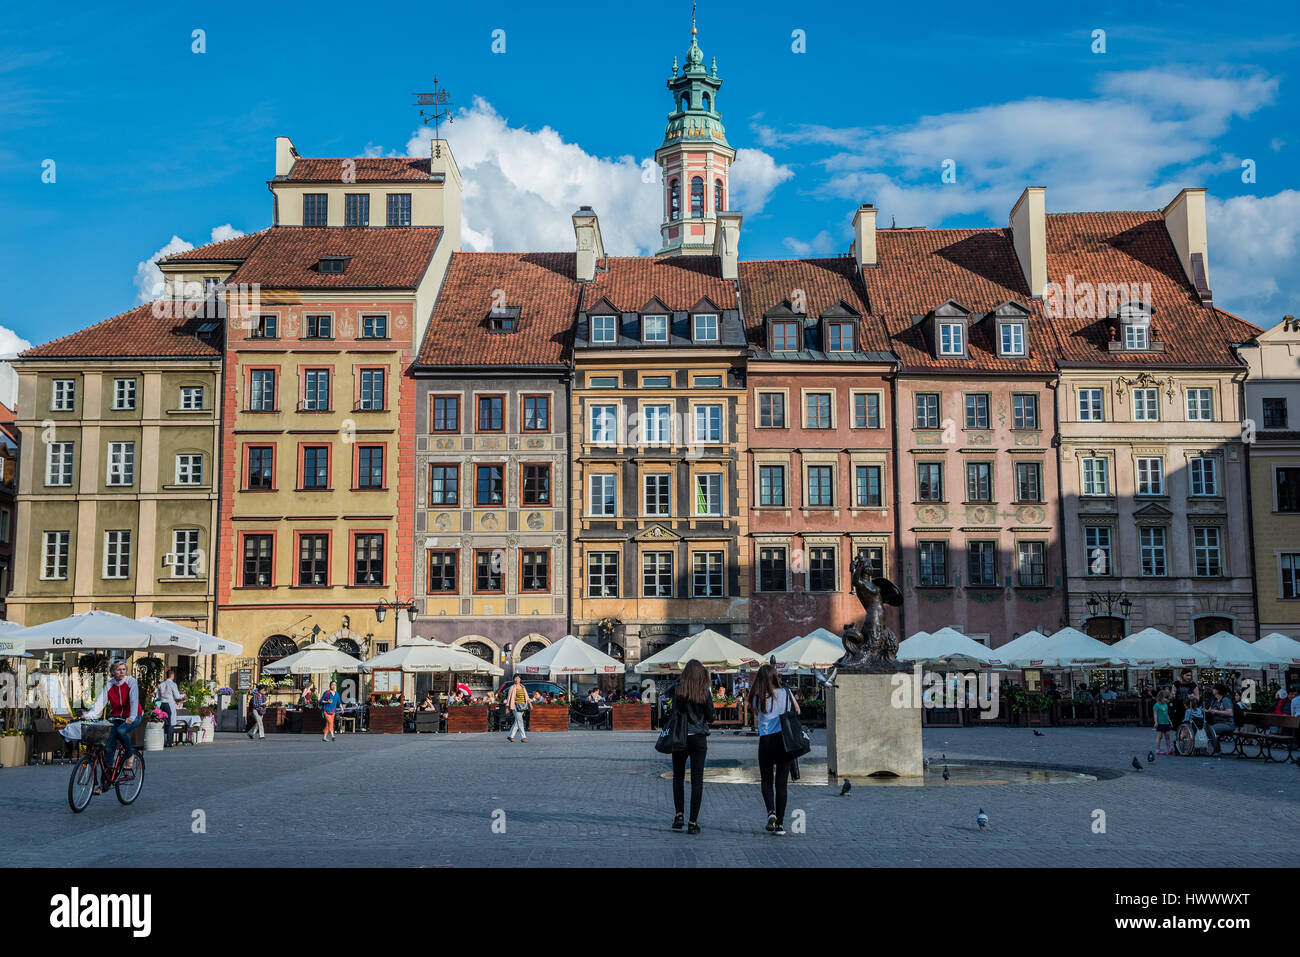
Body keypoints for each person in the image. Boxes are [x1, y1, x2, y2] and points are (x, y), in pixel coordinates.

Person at [750, 664, 800, 836]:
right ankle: (780, 824)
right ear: (775, 676)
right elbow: (797, 711)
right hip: (784, 740)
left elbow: (756, 713)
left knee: (766, 780)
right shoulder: (786, 693)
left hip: (766, 741)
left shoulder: (757, 696)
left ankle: (771, 812)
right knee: (781, 783)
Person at [669, 659, 714, 835]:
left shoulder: (678, 689)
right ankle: (693, 822)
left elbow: (673, 713)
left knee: (678, 777)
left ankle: (679, 815)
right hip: (699, 739)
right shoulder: (705, 692)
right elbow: (711, 718)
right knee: (697, 780)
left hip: (680, 737)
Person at [83, 659, 144, 786]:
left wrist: (132, 716)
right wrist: (89, 715)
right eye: (118, 669)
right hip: (117, 717)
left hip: (135, 715)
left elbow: (134, 700)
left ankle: (130, 755)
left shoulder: (131, 682)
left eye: (123, 669)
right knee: (109, 747)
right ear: (112, 672)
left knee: (122, 730)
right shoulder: (110, 684)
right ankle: (106, 780)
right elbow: (101, 702)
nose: (122, 672)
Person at [156, 668, 185, 747]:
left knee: (162, 721)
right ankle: (169, 741)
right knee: (170, 723)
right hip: (170, 703)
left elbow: (157, 696)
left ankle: (160, 740)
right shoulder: (173, 684)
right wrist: (183, 695)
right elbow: (177, 696)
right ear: (172, 676)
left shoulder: (161, 684)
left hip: (162, 704)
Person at [1205, 684, 1234, 752]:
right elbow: (1210, 710)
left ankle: (1216, 749)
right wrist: (1205, 710)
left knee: (1210, 730)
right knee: (1204, 728)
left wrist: (1216, 711)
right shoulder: (1214, 700)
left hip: (1227, 724)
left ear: (1218, 691)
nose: (1212, 690)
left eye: (1214, 689)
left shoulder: (1225, 700)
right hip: (1217, 722)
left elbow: (1230, 713)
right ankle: (1214, 748)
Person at [505, 675, 530, 743]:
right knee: (520, 721)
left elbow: (527, 696)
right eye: (515, 678)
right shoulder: (512, 687)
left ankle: (510, 736)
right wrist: (507, 707)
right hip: (515, 706)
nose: (516, 679)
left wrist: (529, 703)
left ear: (520, 679)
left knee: (517, 722)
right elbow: (509, 698)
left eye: (518, 678)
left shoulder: (523, 687)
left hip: (523, 706)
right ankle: (523, 737)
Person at [1153, 689, 1173, 754]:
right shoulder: (1156, 705)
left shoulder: (1165, 705)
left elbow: (1166, 714)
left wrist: (1170, 721)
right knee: (1159, 736)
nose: (1167, 700)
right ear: (1161, 697)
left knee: (1168, 736)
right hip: (1160, 723)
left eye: (1167, 698)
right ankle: (1157, 749)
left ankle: (1169, 749)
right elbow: (1155, 714)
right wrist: (1156, 722)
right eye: (1165, 698)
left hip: (1166, 723)